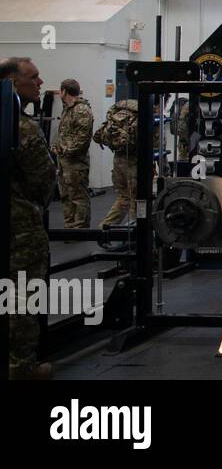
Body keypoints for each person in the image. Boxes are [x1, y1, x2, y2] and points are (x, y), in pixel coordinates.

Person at [2, 58, 56, 379]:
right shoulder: (21, 127)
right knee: (20, 298)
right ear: (12, 84)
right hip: (20, 231)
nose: (39, 83)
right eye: (33, 78)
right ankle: (21, 368)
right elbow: (44, 181)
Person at [52, 78, 93, 229]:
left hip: (76, 163)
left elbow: (82, 140)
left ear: (64, 91)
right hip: (64, 162)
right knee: (66, 196)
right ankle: (69, 227)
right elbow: (65, 134)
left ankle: (80, 229)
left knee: (78, 196)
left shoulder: (81, 110)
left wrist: (62, 149)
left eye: (60, 91)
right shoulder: (68, 109)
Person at [93, 98, 139, 228]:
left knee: (124, 197)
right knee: (136, 199)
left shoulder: (120, 111)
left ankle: (103, 229)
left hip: (118, 160)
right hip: (135, 163)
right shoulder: (146, 113)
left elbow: (99, 136)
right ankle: (133, 234)